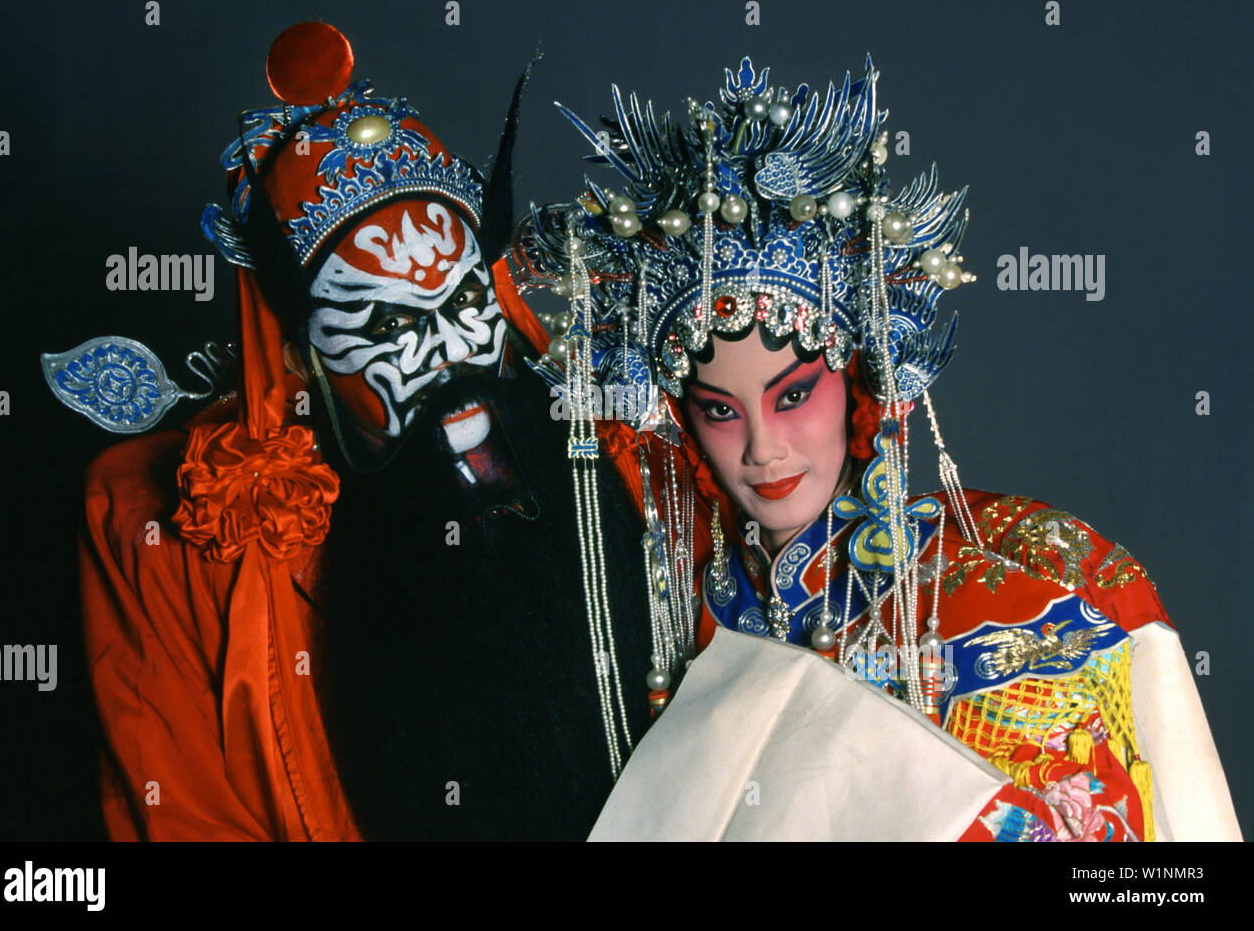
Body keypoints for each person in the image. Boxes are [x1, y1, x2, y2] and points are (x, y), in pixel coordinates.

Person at [510, 56, 1242, 840]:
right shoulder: (678, 616)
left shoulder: (995, 603)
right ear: (678, 420)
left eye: (793, 397)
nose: (764, 450)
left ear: (857, 386)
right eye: (721, 411)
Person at [47, 23, 667, 840]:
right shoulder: (167, 539)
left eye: (465, 303)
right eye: (385, 325)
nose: (450, 355)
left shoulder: (637, 460)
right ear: (302, 362)